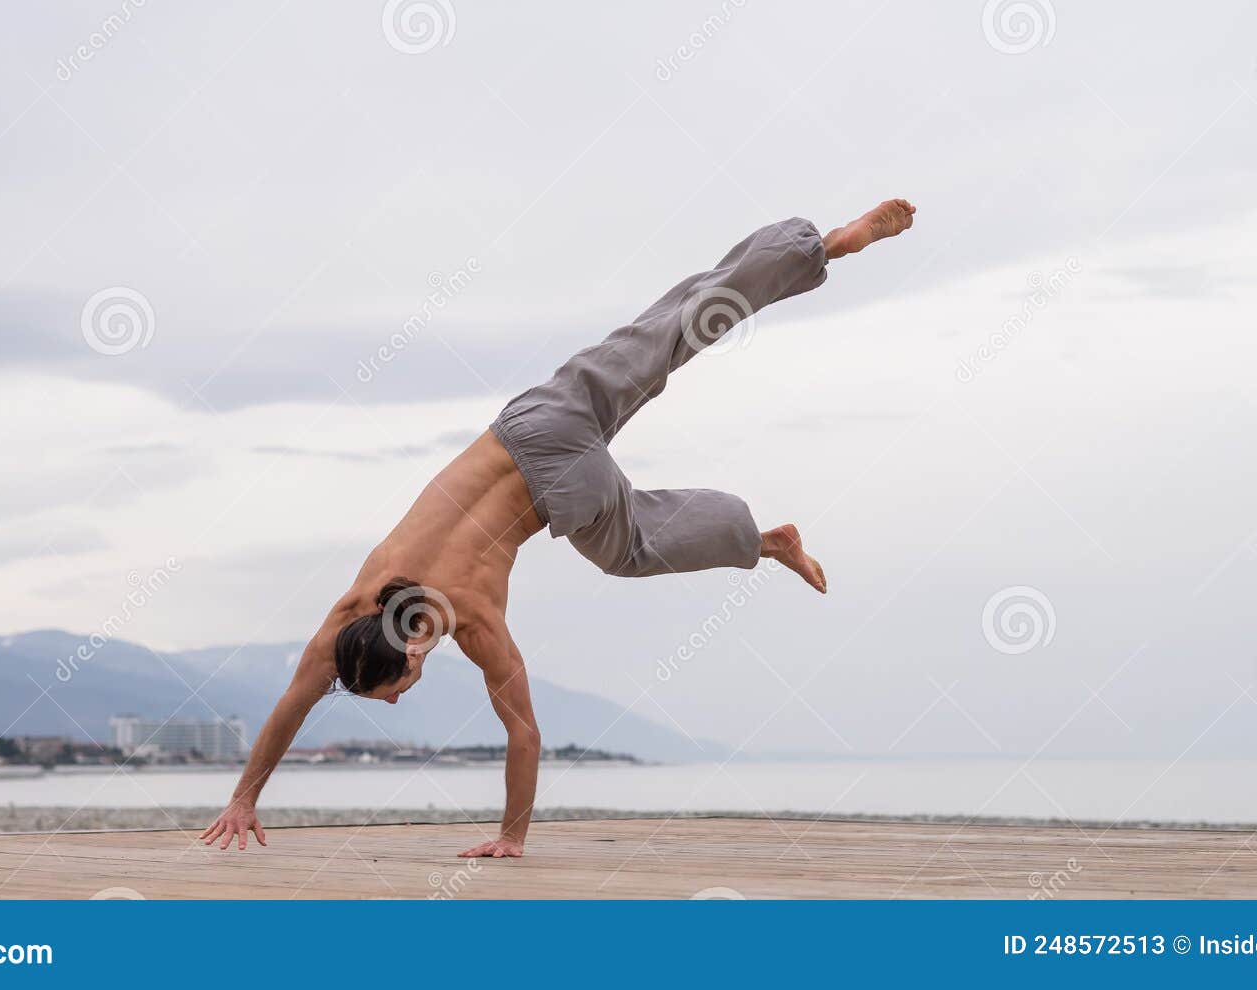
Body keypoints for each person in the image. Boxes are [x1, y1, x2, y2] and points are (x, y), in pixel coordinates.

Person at [201, 199, 917, 857]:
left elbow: (524, 735)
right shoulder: (353, 609)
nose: (397, 697)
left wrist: (512, 839)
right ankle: (821, 247)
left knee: (631, 548)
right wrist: (241, 795)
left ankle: (760, 541)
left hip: (570, 491)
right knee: (672, 327)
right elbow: (299, 699)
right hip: (537, 423)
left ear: (411, 651)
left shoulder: (473, 621)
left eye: (399, 686)